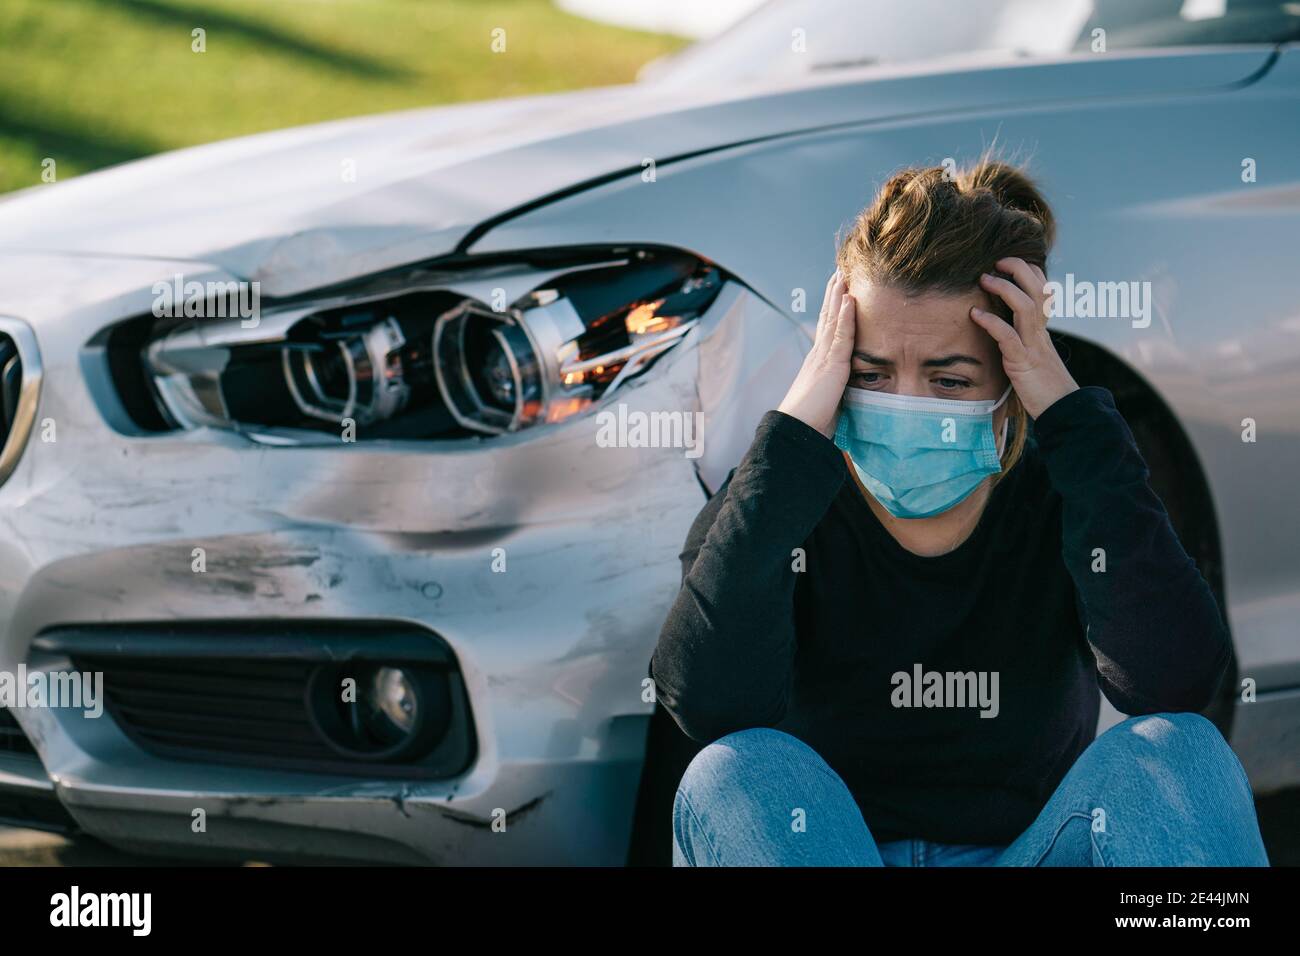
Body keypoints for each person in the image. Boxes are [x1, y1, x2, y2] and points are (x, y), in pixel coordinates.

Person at [648, 158, 1270, 866]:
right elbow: (705, 701)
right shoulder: (780, 493)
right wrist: (790, 434)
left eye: (948, 379)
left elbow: (1175, 681)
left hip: (1027, 854)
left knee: (1179, 756)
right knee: (732, 774)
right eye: (871, 374)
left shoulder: (1066, 486)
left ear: (1010, 379)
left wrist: (1071, 418)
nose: (906, 403)